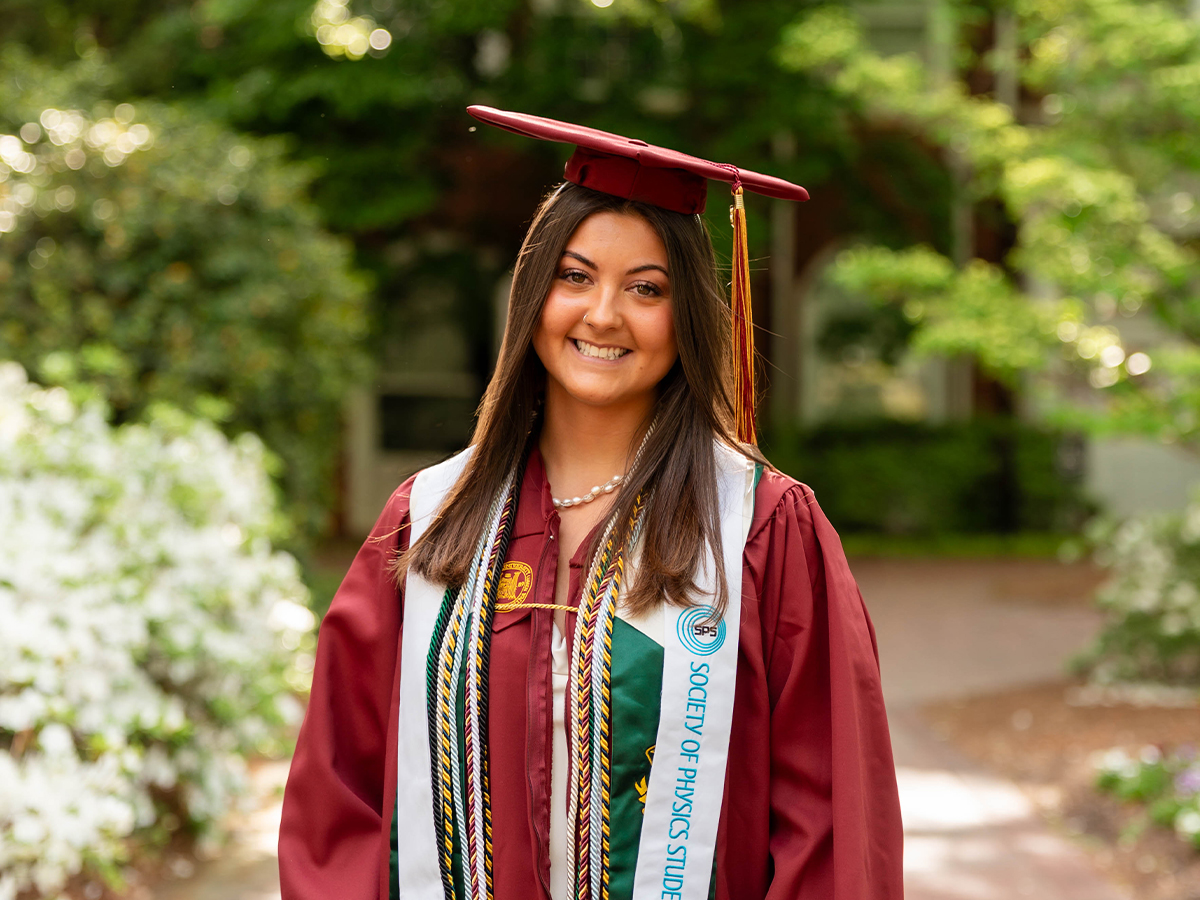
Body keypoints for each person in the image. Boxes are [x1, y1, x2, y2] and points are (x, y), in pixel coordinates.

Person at [278, 106, 903, 900]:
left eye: (647, 288)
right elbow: (339, 793)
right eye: (575, 277)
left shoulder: (760, 528)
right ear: (533, 294)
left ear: (689, 320)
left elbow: (831, 822)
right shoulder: (433, 516)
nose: (603, 315)